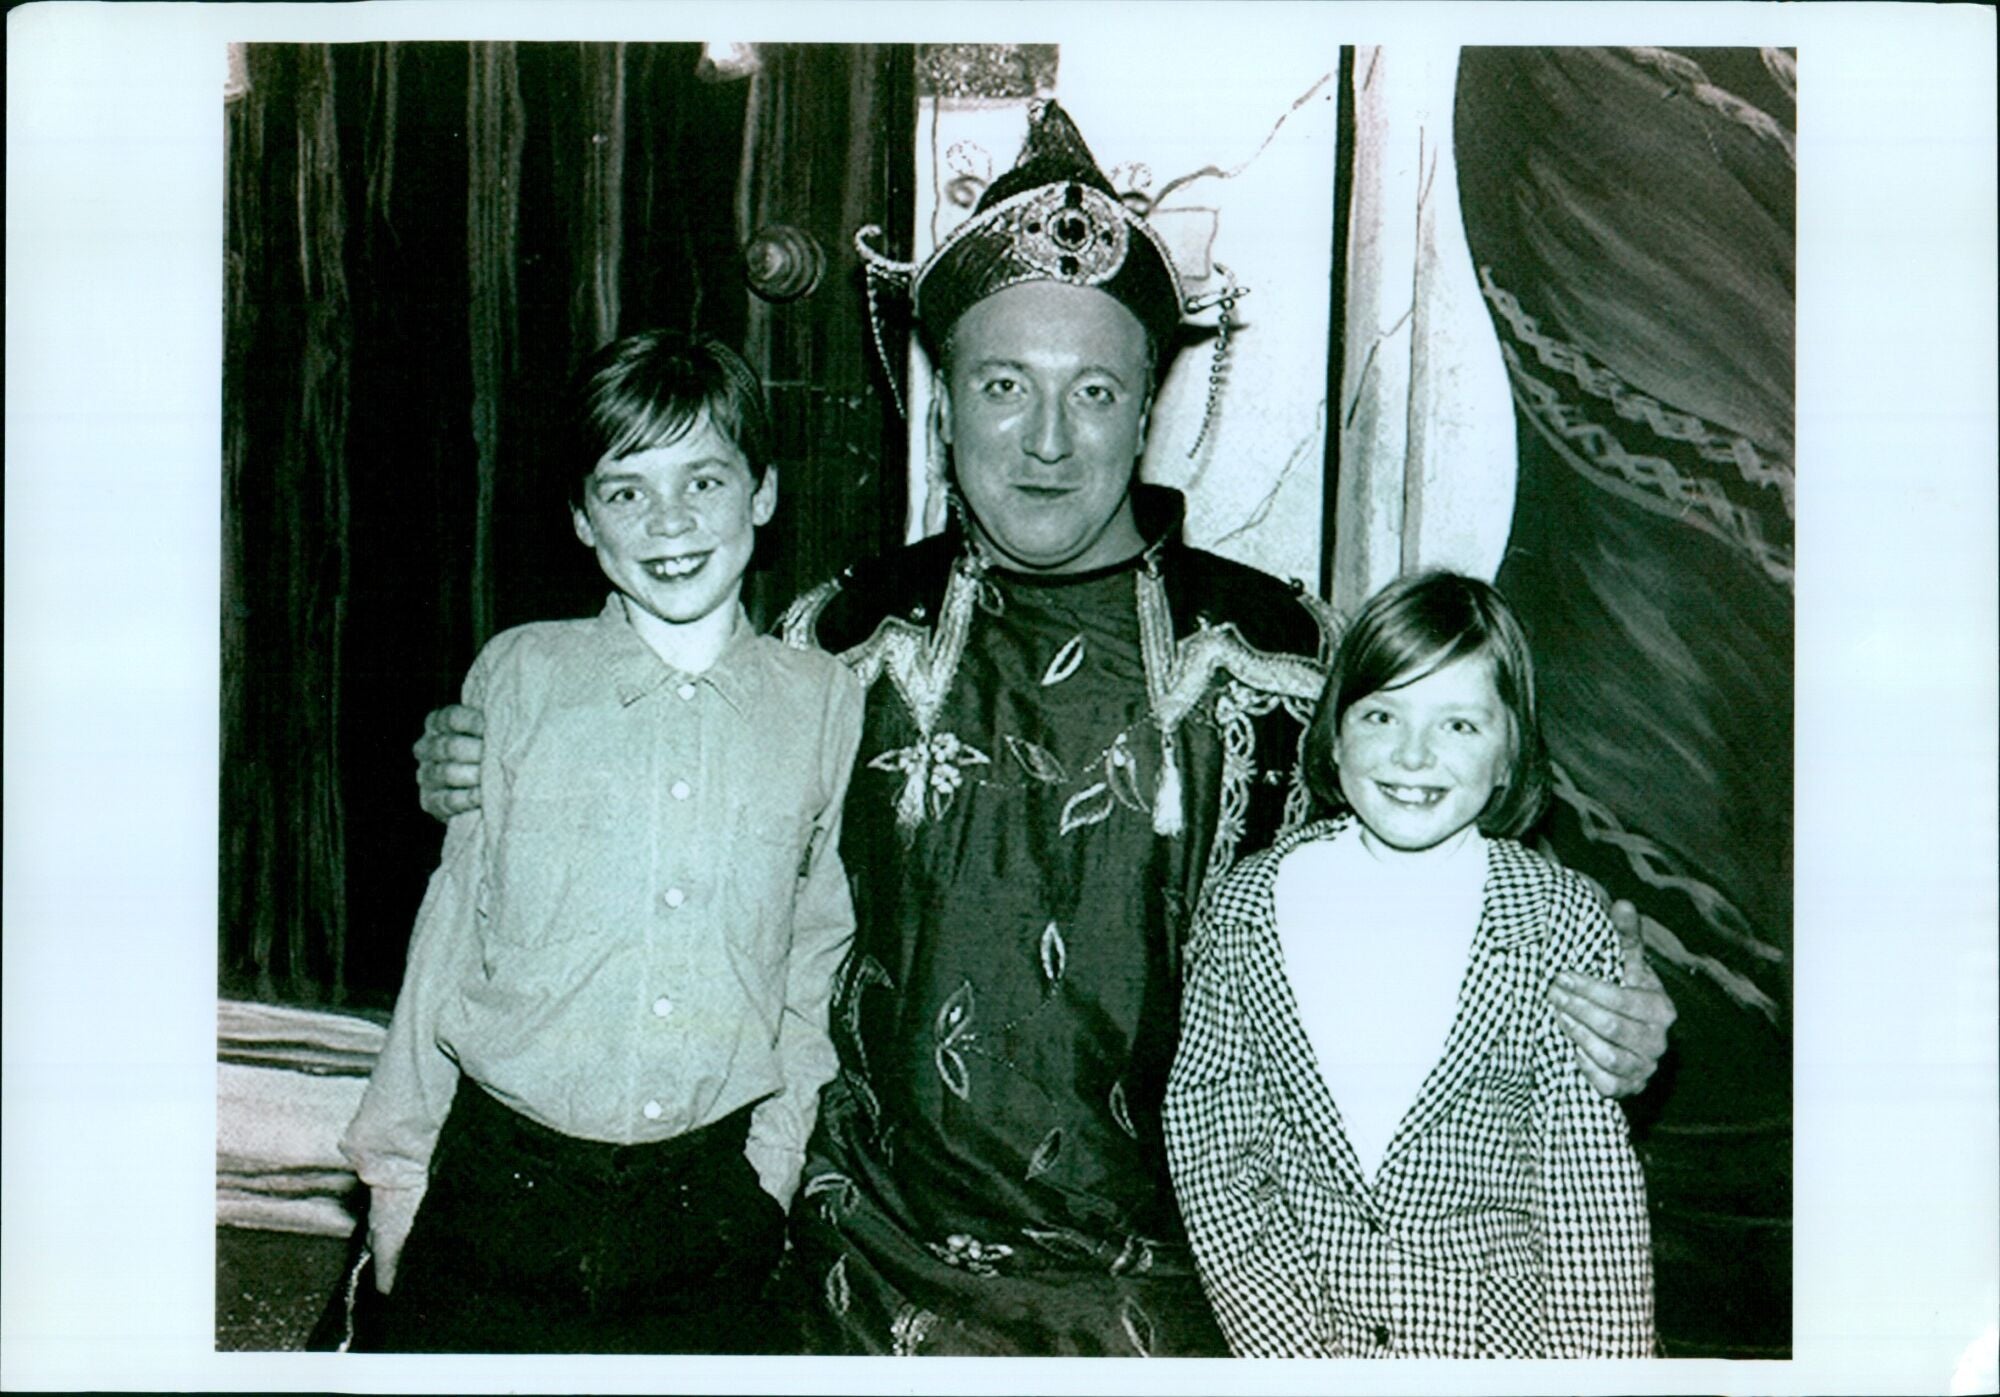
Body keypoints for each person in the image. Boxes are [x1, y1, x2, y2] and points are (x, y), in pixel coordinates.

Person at [413, 102, 1675, 1355]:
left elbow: (1460, 871)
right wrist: (480, 745)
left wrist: (1609, 1001)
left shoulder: (1284, 654)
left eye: (1096, 390)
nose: (1051, 440)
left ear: (1146, 410)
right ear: (946, 402)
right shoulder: (837, 634)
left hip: (1197, 1256)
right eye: (1004, 385)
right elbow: (660, 751)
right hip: (857, 1243)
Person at [342, 329, 863, 1353]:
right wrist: (397, 1173)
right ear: (582, 518)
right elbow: (450, 933)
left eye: (703, 479)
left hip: (706, 1198)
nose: (669, 520)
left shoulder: (823, 701)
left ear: (761, 491)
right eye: (626, 490)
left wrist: (772, 1163)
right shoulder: (521, 674)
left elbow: (814, 950)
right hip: (501, 1179)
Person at [1164, 571, 1654, 1357]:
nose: (1413, 754)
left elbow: (1588, 1199)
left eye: (1460, 725)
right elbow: (1214, 1142)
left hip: (1502, 1353)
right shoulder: (1249, 905)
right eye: (1382, 713)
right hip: (1303, 1341)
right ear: (1333, 732)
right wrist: (1296, 1355)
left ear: (1509, 754)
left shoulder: (1560, 919)